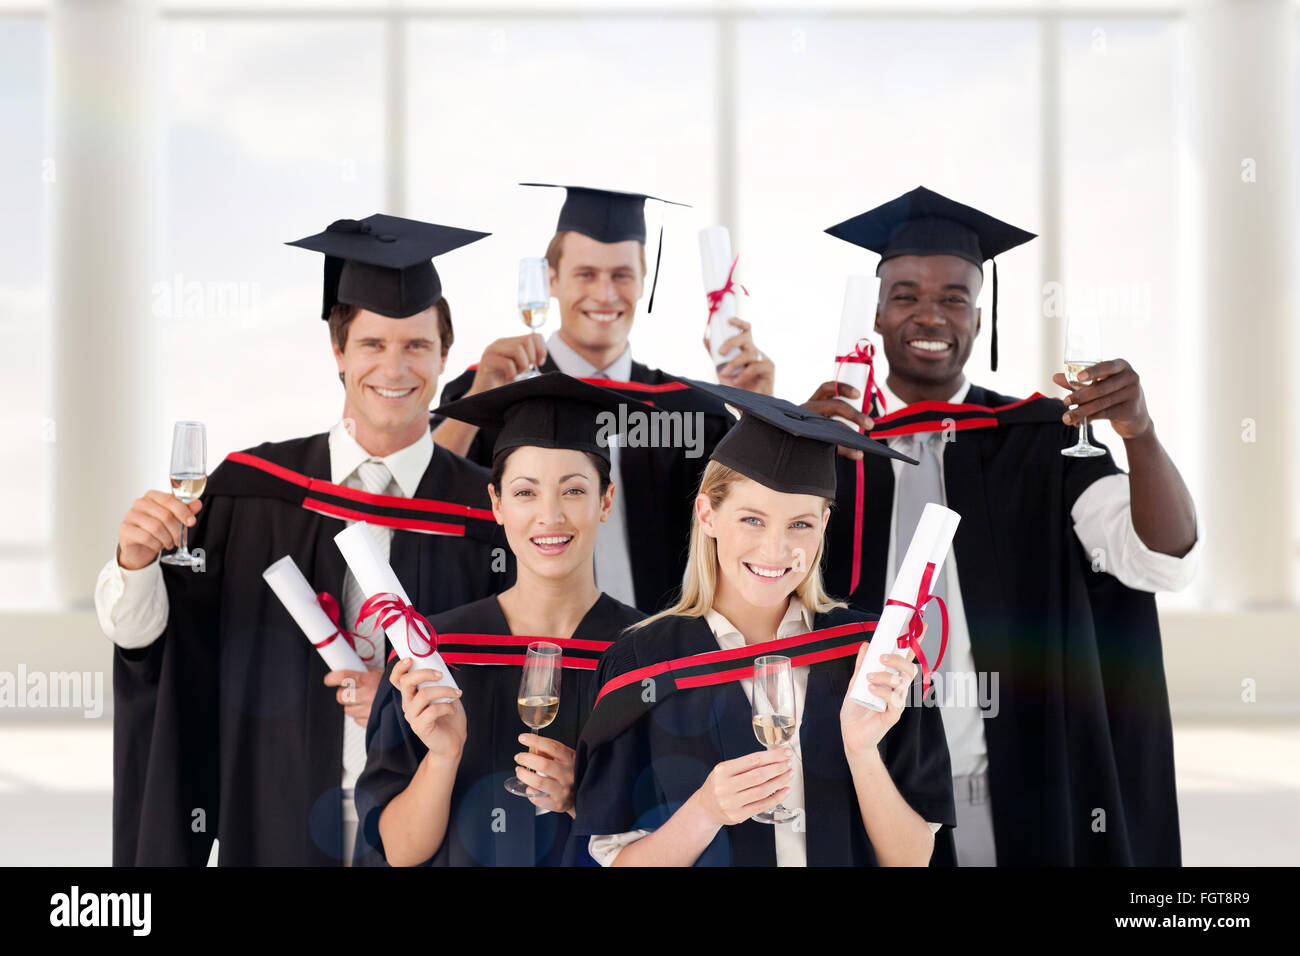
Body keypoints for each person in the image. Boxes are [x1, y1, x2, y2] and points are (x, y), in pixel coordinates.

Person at [96, 214, 511, 865]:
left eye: (416, 346)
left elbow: (526, 679)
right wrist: (138, 564)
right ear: (339, 353)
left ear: (443, 357)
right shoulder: (251, 492)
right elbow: (159, 648)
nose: (394, 367)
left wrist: (403, 713)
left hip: (437, 836)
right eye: (373, 344)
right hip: (277, 824)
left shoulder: (492, 512)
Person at [805, 186, 1199, 865]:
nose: (930, 313)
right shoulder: (825, 445)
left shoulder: (1042, 440)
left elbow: (1160, 561)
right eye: (905, 294)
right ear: (874, 313)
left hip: (1015, 778)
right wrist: (794, 451)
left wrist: (1140, 433)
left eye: (954, 296)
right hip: (863, 778)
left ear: (980, 317)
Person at [570, 380, 955, 866]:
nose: (775, 550)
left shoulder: (872, 654)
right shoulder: (640, 662)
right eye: (752, 519)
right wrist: (707, 810)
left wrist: (860, 749)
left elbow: (912, 858)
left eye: (801, 524)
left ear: (824, 526)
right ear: (708, 515)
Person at [432, 184, 774, 613]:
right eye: (586, 274)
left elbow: (747, 529)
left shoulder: (688, 411)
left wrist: (760, 416)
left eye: (621, 275)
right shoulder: (491, 393)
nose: (606, 294)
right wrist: (480, 396)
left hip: (658, 651)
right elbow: (428, 502)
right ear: (551, 280)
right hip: (526, 653)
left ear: (643, 280)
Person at [353, 373, 644, 866]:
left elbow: (686, 834)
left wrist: (586, 799)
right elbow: (397, 853)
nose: (550, 516)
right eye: (526, 492)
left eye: (573, 491)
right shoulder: (432, 652)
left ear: (606, 501)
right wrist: (444, 757)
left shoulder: (651, 655)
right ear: (497, 504)